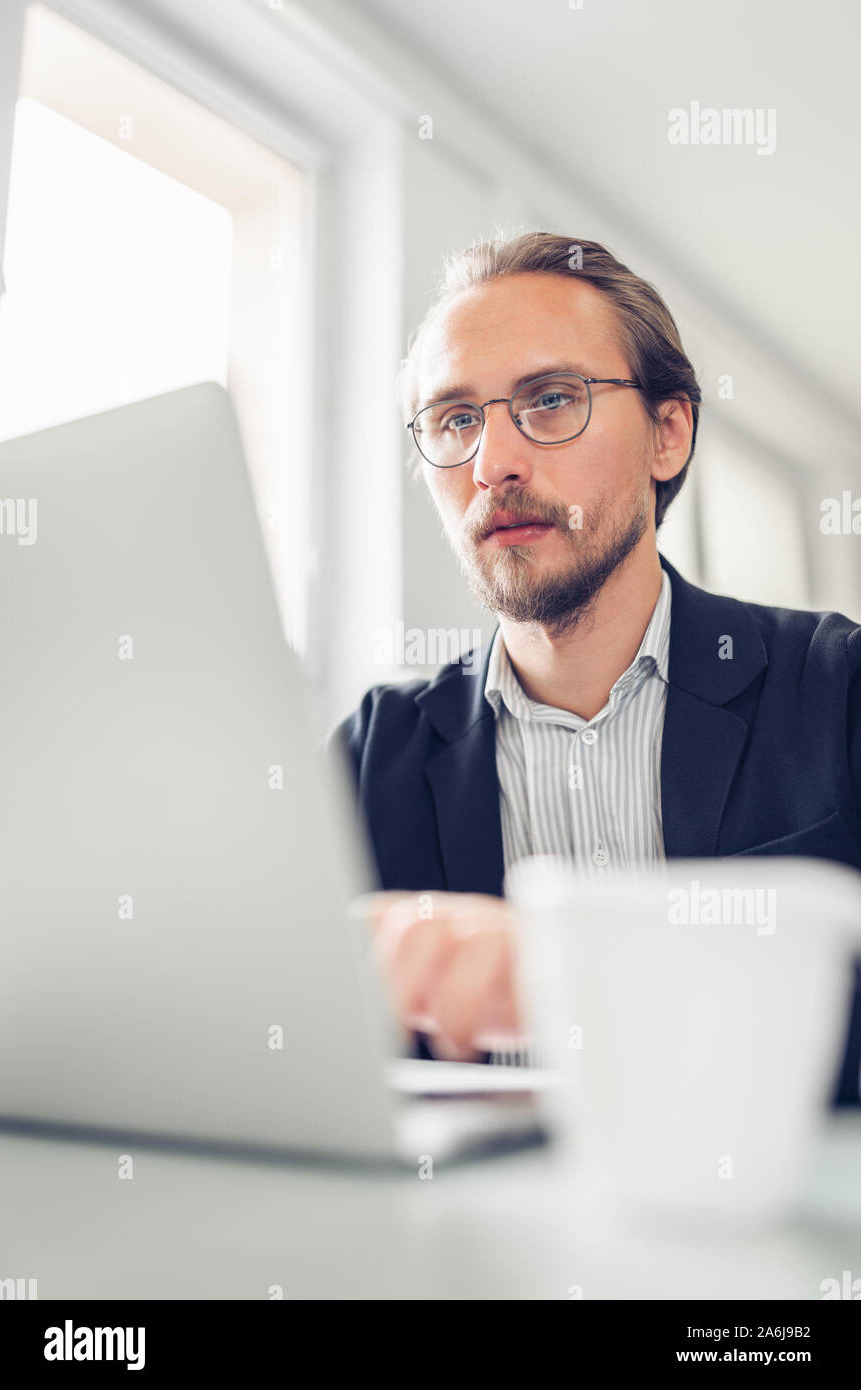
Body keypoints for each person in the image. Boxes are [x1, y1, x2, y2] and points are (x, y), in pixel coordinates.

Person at [329, 232, 861, 1103]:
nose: (492, 463)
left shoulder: (835, 688)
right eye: (455, 420)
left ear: (666, 434)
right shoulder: (366, 756)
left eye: (549, 400)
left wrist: (568, 969)